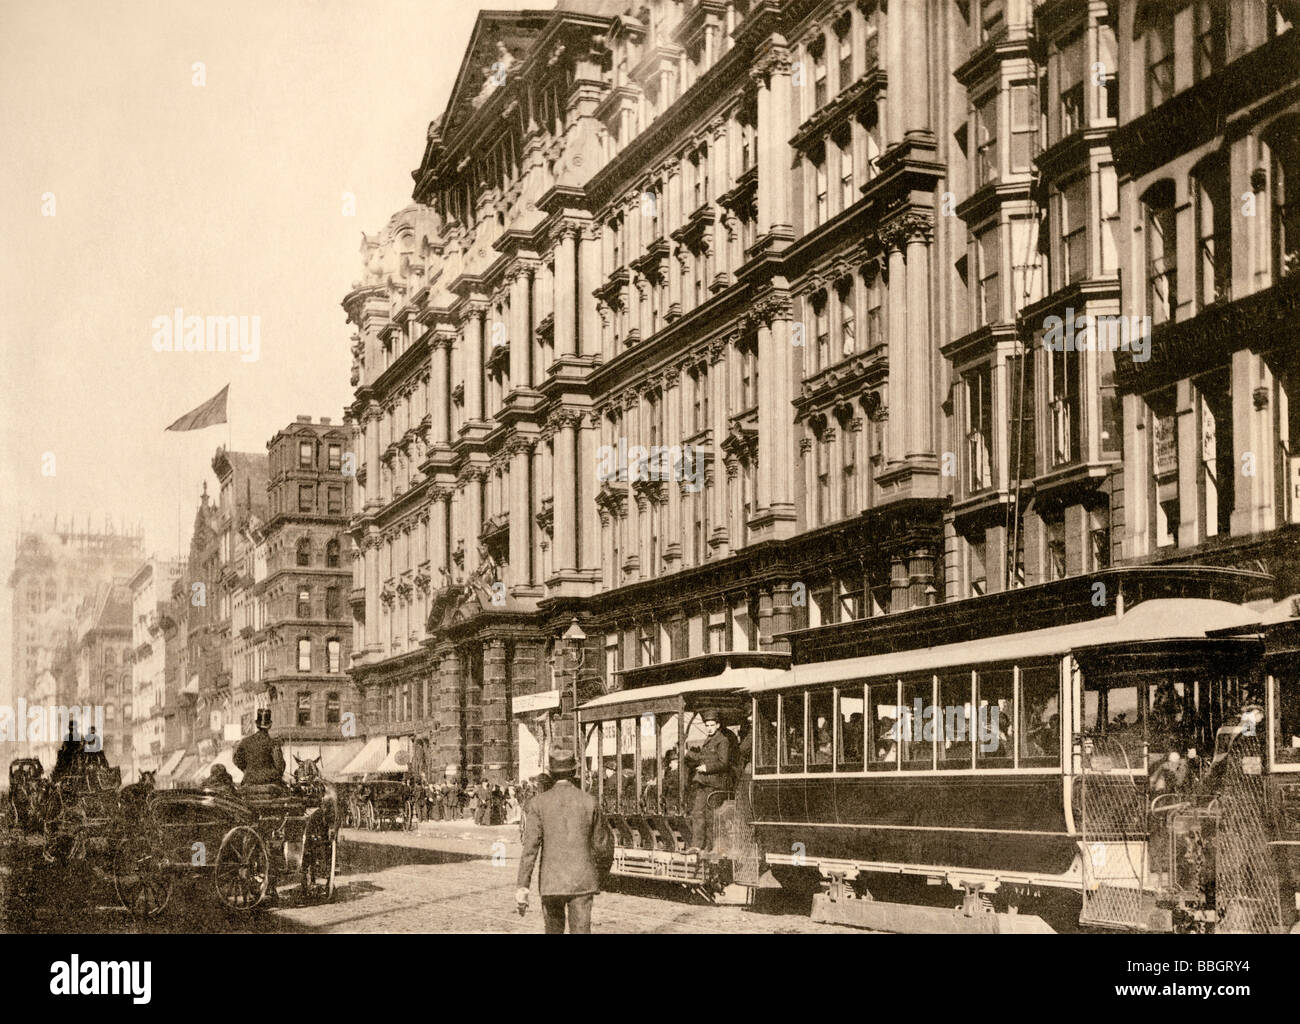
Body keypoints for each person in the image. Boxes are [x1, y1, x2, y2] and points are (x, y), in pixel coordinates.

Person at [515, 750, 602, 934]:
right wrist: (597, 877)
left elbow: (530, 850)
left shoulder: (538, 803)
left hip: (551, 883)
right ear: (574, 772)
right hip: (582, 883)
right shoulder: (590, 802)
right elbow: (601, 846)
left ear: (551, 773)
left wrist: (523, 887)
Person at [683, 709, 738, 852]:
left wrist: (707, 768)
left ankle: (712, 846)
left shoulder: (722, 741)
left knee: (710, 817)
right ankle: (697, 845)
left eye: (712, 725)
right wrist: (688, 754)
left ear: (718, 725)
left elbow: (723, 763)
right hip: (704, 783)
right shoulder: (708, 741)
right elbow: (702, 757)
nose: (709, 728)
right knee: (698, 813)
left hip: (714, 784)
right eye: (707, 725)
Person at [233, 708, 286, 788]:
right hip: (271, 781)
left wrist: (248, 770)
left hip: (249, 779)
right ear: (270, 725)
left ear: (256, 724)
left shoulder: (245, 742)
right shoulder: (273, 744)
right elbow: (280, 766)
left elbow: (237, 760)